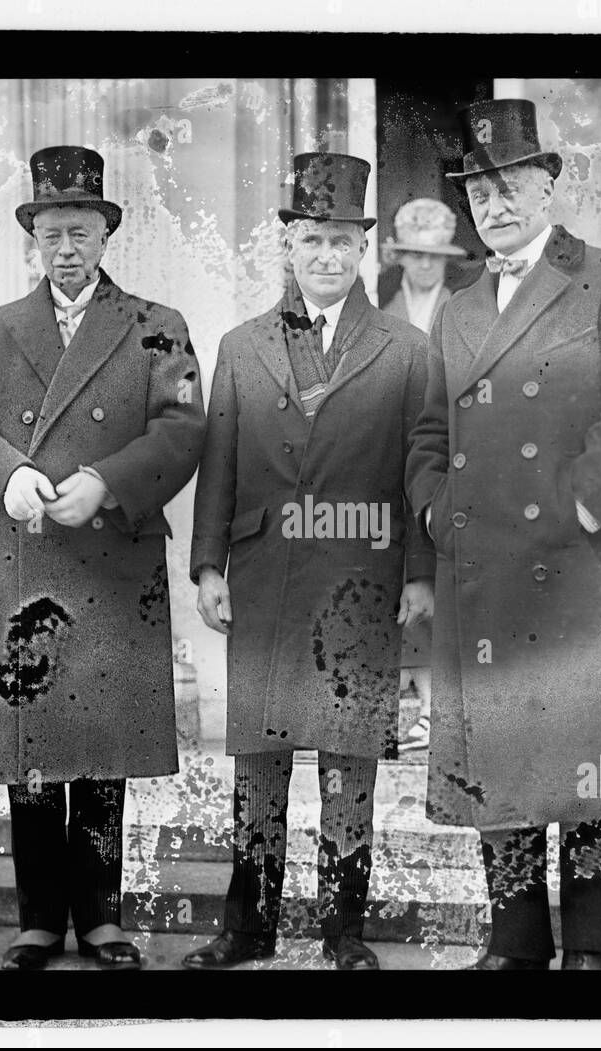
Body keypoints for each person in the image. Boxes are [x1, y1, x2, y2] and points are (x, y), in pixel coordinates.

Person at [406, 100, 601, 970]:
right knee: (500, 756)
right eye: (477, 191)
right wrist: (431, 508)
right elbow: (425, 434)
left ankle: (591, 953)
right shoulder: (455, 312)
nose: (493, 205)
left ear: (547, 186)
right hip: (479, 569)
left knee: (586, 768)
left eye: (509, 186)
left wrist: (576, 509)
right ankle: (515, 941)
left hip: (577, 567)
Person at [0, 145, 206, 971]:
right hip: (21, 555)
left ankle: (103, 920)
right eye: (50, 233)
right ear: (32, 239)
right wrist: (7, 474)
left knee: (102, 745)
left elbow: (184, 427)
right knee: (32, 745)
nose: (65, 248)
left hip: (110, 555)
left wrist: (108, 481)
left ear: (105, 235)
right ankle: (38, 922)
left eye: (80, 231)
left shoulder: (159, 326)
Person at [184, 152, 433, 971]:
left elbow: (421, 464)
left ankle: (342, 931)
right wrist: (209, 565)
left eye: (342, 242)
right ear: (286, 243)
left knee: (347, 762)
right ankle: (246, 928)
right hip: (261, 579)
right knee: (257, 761)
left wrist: (421, 577)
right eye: (312, 239)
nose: (327, 257)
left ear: (362, 251)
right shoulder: (240, 345)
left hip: (360, 580)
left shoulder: (404, 348)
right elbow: (219, 459)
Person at [379, 198, 472, 752]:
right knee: (395, 574)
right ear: (400, 257)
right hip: (390, 457)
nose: (423, 265)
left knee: (440, 574)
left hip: (445, 455)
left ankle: (440, 710)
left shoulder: (464, 309)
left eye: (433, 255)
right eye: (414, 254)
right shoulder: (380, 310)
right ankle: (397, 707)